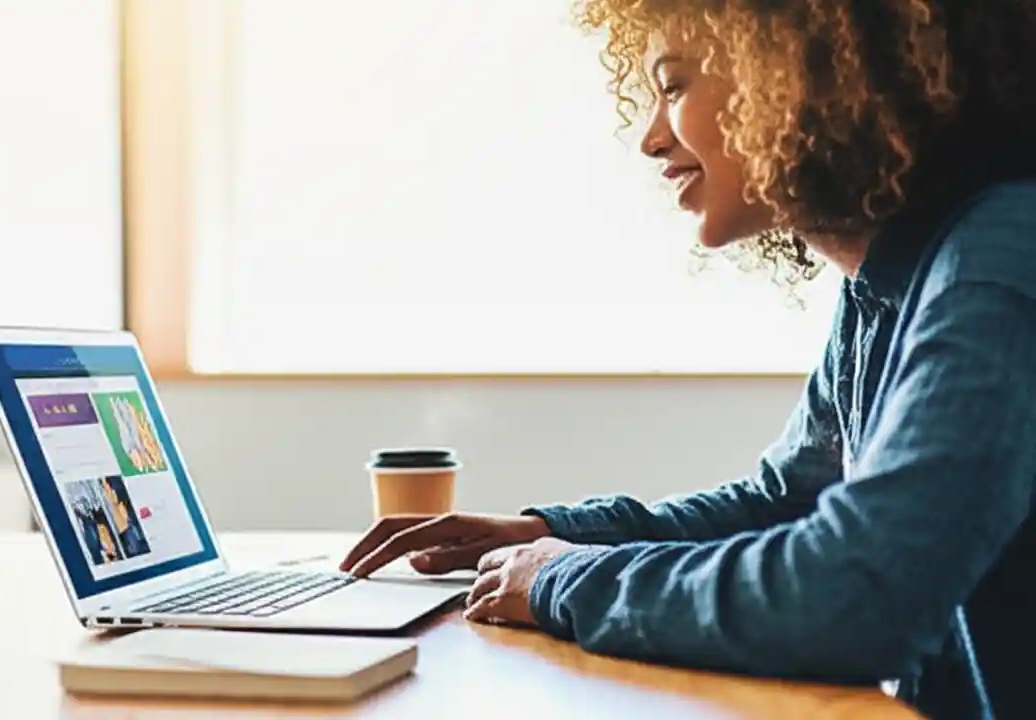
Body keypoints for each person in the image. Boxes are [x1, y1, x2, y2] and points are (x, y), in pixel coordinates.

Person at [339, 2, 1036, 718]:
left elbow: (855, 598)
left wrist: (563, 578)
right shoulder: (890, 278)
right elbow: (784, 503)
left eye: (672, 86)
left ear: (801, 72)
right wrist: (553, 534)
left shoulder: (999, 261)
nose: (650, 139)